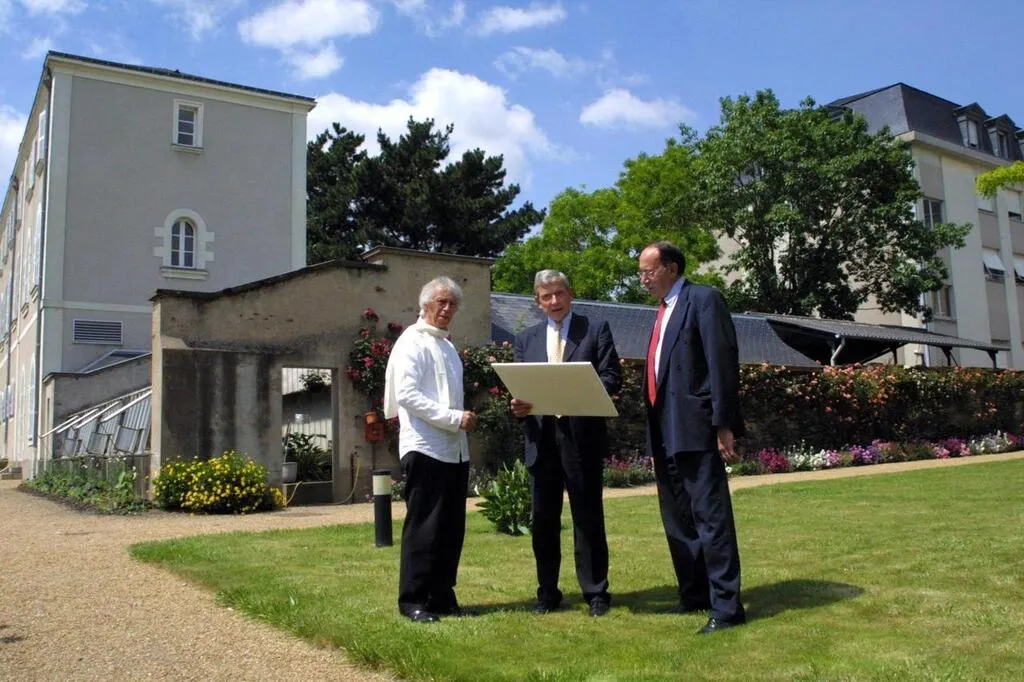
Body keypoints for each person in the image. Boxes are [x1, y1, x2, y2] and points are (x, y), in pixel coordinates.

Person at [638, 241, 746, 634]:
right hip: (664, 432)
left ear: (672, 268)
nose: (643, 279)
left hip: (697, 430)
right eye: (640, 273)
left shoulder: (704, 299)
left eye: (649, 271)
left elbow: (721, 362)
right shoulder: (661, 312)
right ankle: (693, 594)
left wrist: (724, 423)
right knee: (678, 521)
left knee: (710, 519)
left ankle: (727, 608)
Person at [510, 270, 622, 617]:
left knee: (588, 517)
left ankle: (596, 591)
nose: (554, 302)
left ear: (570, 295)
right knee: (543, 520)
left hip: (581, 439)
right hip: (541, 441)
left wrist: (581, 388)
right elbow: (519, 387)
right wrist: (516, 405)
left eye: (559, 294)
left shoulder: (594, 329)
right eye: (547, 296)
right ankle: (547, 592)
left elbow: (612, 377)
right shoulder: (525, 339)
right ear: (538, 302)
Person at [383, 276, 477, 623]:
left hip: (454, 450)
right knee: (424, 526)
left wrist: (458, 423)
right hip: (425, 447)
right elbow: (406, 395)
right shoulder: (413, 341)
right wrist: (454, 418)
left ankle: (442, 595)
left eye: (452, 303)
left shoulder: (448, 347)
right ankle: (413, 600)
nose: (447, 309)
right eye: (441, 302)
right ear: (425, 306)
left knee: (451, 528)